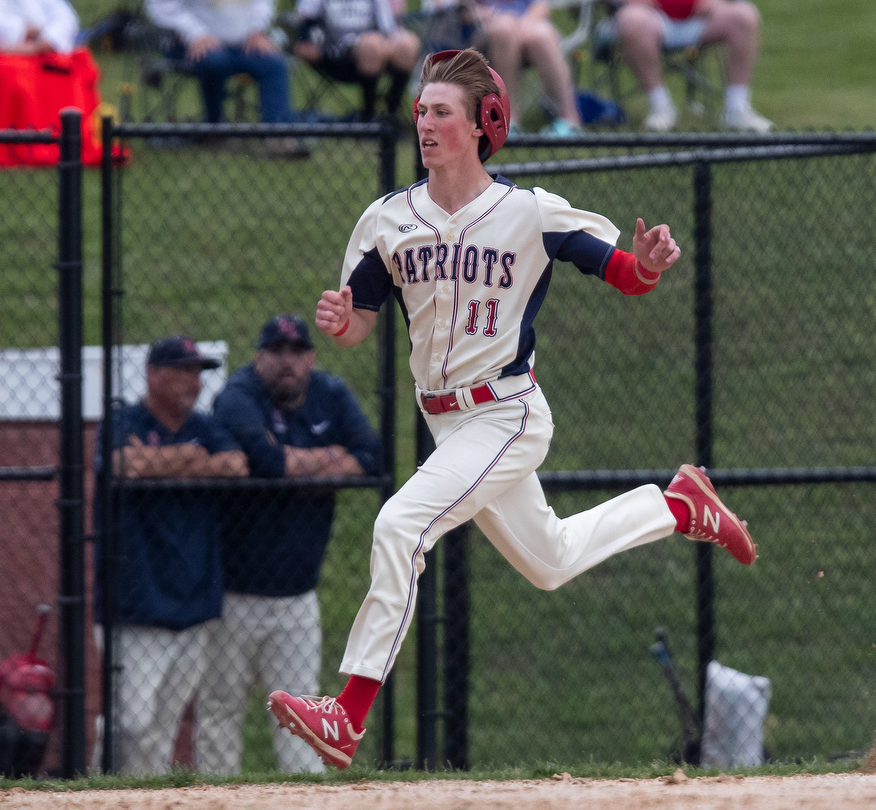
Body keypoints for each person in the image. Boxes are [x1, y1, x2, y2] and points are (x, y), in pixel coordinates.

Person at [267, 47, 756, 770]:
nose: (425, 123)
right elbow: (361, 317)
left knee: (400, 525)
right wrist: (343, 321)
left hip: (506, 415)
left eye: (442, 112)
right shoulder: (386, 219)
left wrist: (648, 262)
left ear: (482, 124)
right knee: (550, 560)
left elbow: (626, 276)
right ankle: (679, 506)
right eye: (422, 111)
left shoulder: (528, 212)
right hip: (445, 421)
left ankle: (348, 713)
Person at [195, 314, 382, 775]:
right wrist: (330, 461)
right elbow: (266, 460)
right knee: (220, 711)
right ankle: (215, 803)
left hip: (299, 596)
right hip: (233, 596)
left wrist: (296, 465)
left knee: (301, 716)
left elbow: (371, 456)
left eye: (296, 351)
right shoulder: (238, 395)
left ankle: (304, 800)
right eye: (276, 351)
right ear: (259, 358)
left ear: (311, 358)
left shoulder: (331, 393)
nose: (287, 361)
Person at [92, 335, 248, 775]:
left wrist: (165, 459)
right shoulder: (123, 420)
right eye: (183, 371)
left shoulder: (204, 425)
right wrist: (190, 456)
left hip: (194, 599)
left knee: (162, 727)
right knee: (130, 723)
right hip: (135, 603)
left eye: (198, 373)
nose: (194, 382)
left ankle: (141, 801)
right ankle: (98, 795)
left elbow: (236, 465)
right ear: (153, 375)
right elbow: (125, 466)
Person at [0, 0, 123, 170]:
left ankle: (72, 141)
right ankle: (20, 146)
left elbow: (66, 18)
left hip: (41, 51)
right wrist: (25, 31)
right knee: (18, 80)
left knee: (72, 73)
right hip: (0, 53)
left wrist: (44, 42)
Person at [612, 0, 774, 133]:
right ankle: (660, 107)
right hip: (648, 14)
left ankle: (736, 109)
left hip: (701, 15)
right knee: (631, 20)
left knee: (744, 16)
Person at [145, 0, 298, 127]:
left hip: (243, 44)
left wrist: (257, 29)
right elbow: (162, 7)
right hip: (188, 44)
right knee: (215, 62)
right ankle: (215, 127)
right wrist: (195, 34)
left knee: (274, 63)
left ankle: (277, 135)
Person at [292, 0, 421, 121]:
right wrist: (305, 41)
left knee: (407, 45)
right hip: (335, 57)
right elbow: (305, 20)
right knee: (371, 44)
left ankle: (391, 114)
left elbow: (389, 28)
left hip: (378, 54)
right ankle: (368, 115)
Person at [472, 0, 583, 137]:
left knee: (541, 35)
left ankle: (570, 121)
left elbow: (540, 7)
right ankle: (508, 120)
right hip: (480, 28)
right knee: (504, 30)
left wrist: (523, 24)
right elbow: (463, 7)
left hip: (524, 25)